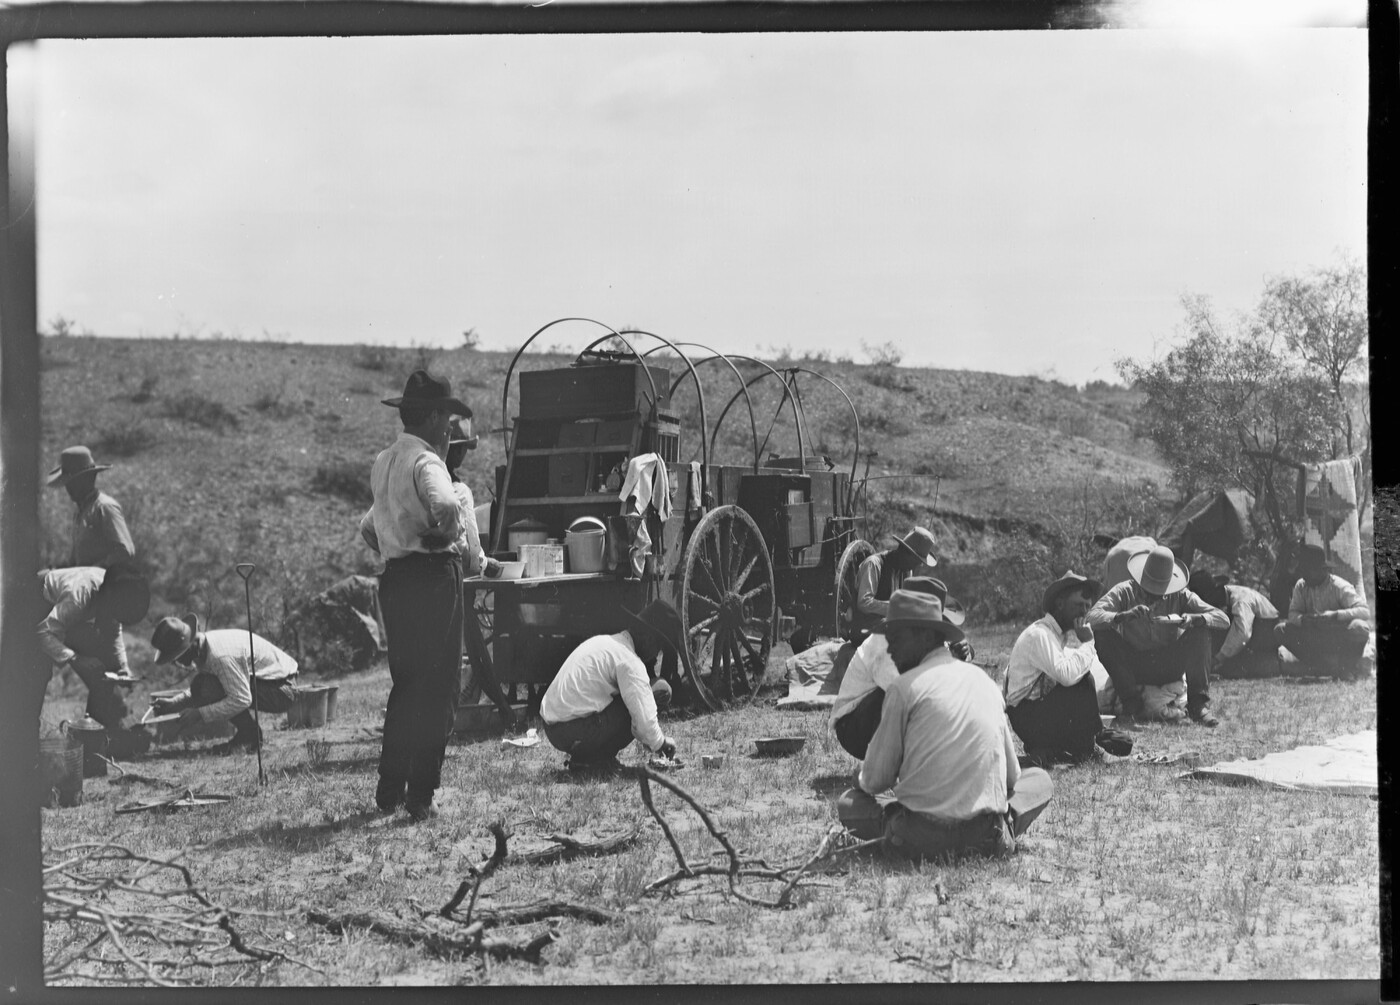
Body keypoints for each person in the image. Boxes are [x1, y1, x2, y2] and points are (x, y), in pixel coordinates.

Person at [836, 589, 1053, 862]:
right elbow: (1013, 779)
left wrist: (861, 776)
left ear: (924, 636)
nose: (889, 647)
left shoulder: (903, 689)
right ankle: (999, 830)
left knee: (848, 802)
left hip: (917, 838)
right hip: (986, 837)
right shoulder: (984, 682)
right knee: (1040, 780)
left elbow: (875, 781)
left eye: (896, 637)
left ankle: (909, 830)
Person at [359, 369, 472, 821]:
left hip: (397, 580)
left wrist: (398, 545)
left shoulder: (386, 460)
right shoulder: (427, 463)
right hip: (432, 579)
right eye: (446, 417)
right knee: (439, 686)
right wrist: (440, 539)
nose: (451, 427)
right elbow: (446, 506)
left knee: (406, 686)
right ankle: (421, 795)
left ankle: (390, 788)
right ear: (429, 417)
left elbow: (368, 527)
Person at [830, 576, 973, 760]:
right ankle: (891, 760)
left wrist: (958, 658)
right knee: (903, 694)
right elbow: (902, 691)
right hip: (854, 725)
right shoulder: (884, 641)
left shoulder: (921, 640)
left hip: (884, 712)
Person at [1086, 545, 1228, 727]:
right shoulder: (1124, 591)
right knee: (1103, 635)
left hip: (1168, 664)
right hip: (1133, 665)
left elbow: (1222, 619)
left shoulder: (1181, 595)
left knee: (1200, 633)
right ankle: (1131, 703)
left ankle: (1198, 705)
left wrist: (1195, 618)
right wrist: (1121, 616)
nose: (1155, 597)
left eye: (1161, 592)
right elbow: (1092, 617)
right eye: (1150, 590)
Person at [1004, 571, 1132, 767]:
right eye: (1078, 605)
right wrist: (1088, 643)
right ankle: (1093, 740)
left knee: (1079, 678)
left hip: (1035, 713)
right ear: (1060, 604)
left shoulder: (1055, 635)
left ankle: (1056, 750)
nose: (1083, 613)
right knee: (1082, 682)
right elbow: (1066, 676)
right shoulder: (1040, 634)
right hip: (1027, 717)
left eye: (1087, 607)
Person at [540, 599, 681, 771]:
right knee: (659, 691)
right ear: (649, 638)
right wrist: (661, 744)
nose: (655, 655)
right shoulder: (629, 661)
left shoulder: (607, 643)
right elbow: (644, 720)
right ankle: (595, 759)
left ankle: (588, 758)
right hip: (574, 729)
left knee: (633, 698)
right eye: (658, 647)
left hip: (553, 728)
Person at [38, 564, 152, 758]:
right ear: (108, 600)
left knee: (105, 672)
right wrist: (75, 658)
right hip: (37, 602)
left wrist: (123, 668)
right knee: (37, 676)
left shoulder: (113, 592)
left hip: (66, 616)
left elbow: (114, 632)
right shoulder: (78, 597)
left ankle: (96, 741)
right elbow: (43, 632)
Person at [444, 417, 515, 727]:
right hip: (448, 576)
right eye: (461, 451)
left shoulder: (414, 477)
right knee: (472, 640)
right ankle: (503, 707)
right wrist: (488, 565)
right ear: (456, 452)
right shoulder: (458, 490)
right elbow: (471, 555)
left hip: (408, 577)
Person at [149, 614, 299, 753]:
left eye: (177, 656)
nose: (177, 662)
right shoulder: (203, 647)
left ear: (189, 647)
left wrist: (200, 713)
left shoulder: (220, 656)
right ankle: (248, 734)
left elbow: (241, 699)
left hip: (282, 690)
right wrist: (174, 703)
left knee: (208, 688)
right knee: (202, 685)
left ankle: (249, 737)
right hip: (267, 683)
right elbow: (202, 687)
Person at [1274, 544, 1371, 680]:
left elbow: (1364, 611)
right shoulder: (1301, 586)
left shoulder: (1339, 586)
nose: (1304, 575)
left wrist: (1335, 615)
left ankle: (1345, 668)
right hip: (1313, 638)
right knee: (1281, 630)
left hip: (1338, 638)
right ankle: (1323, 667)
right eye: (1303, 571)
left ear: (1321, 570)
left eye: (1308, 571)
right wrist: (1304, 619)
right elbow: (1292, 614)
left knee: (1360, 627)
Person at [47, 445, 136, 569]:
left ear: (88, 479)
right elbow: (77, 561)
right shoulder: (80, 512)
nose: (69, 488)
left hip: (108, 585)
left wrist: (94, 571)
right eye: (67, 483)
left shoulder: (105, 508)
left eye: (73, 482)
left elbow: (125, 551)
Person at [1186, 570, 1280, 679]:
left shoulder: (1240, 600)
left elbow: (1242, 633)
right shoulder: (1229, 596)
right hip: (1254, 633)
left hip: (1266, 632)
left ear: (1215, 592)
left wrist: (1218, 659)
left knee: (1232, 668)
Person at [852, 526, 940, 637]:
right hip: (864, 628)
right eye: (917, 560)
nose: (919, 565)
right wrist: (895, 607)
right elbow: (864, 603)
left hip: (889, 625)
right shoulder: (874, 564)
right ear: (906, 552)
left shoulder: (907, 570)